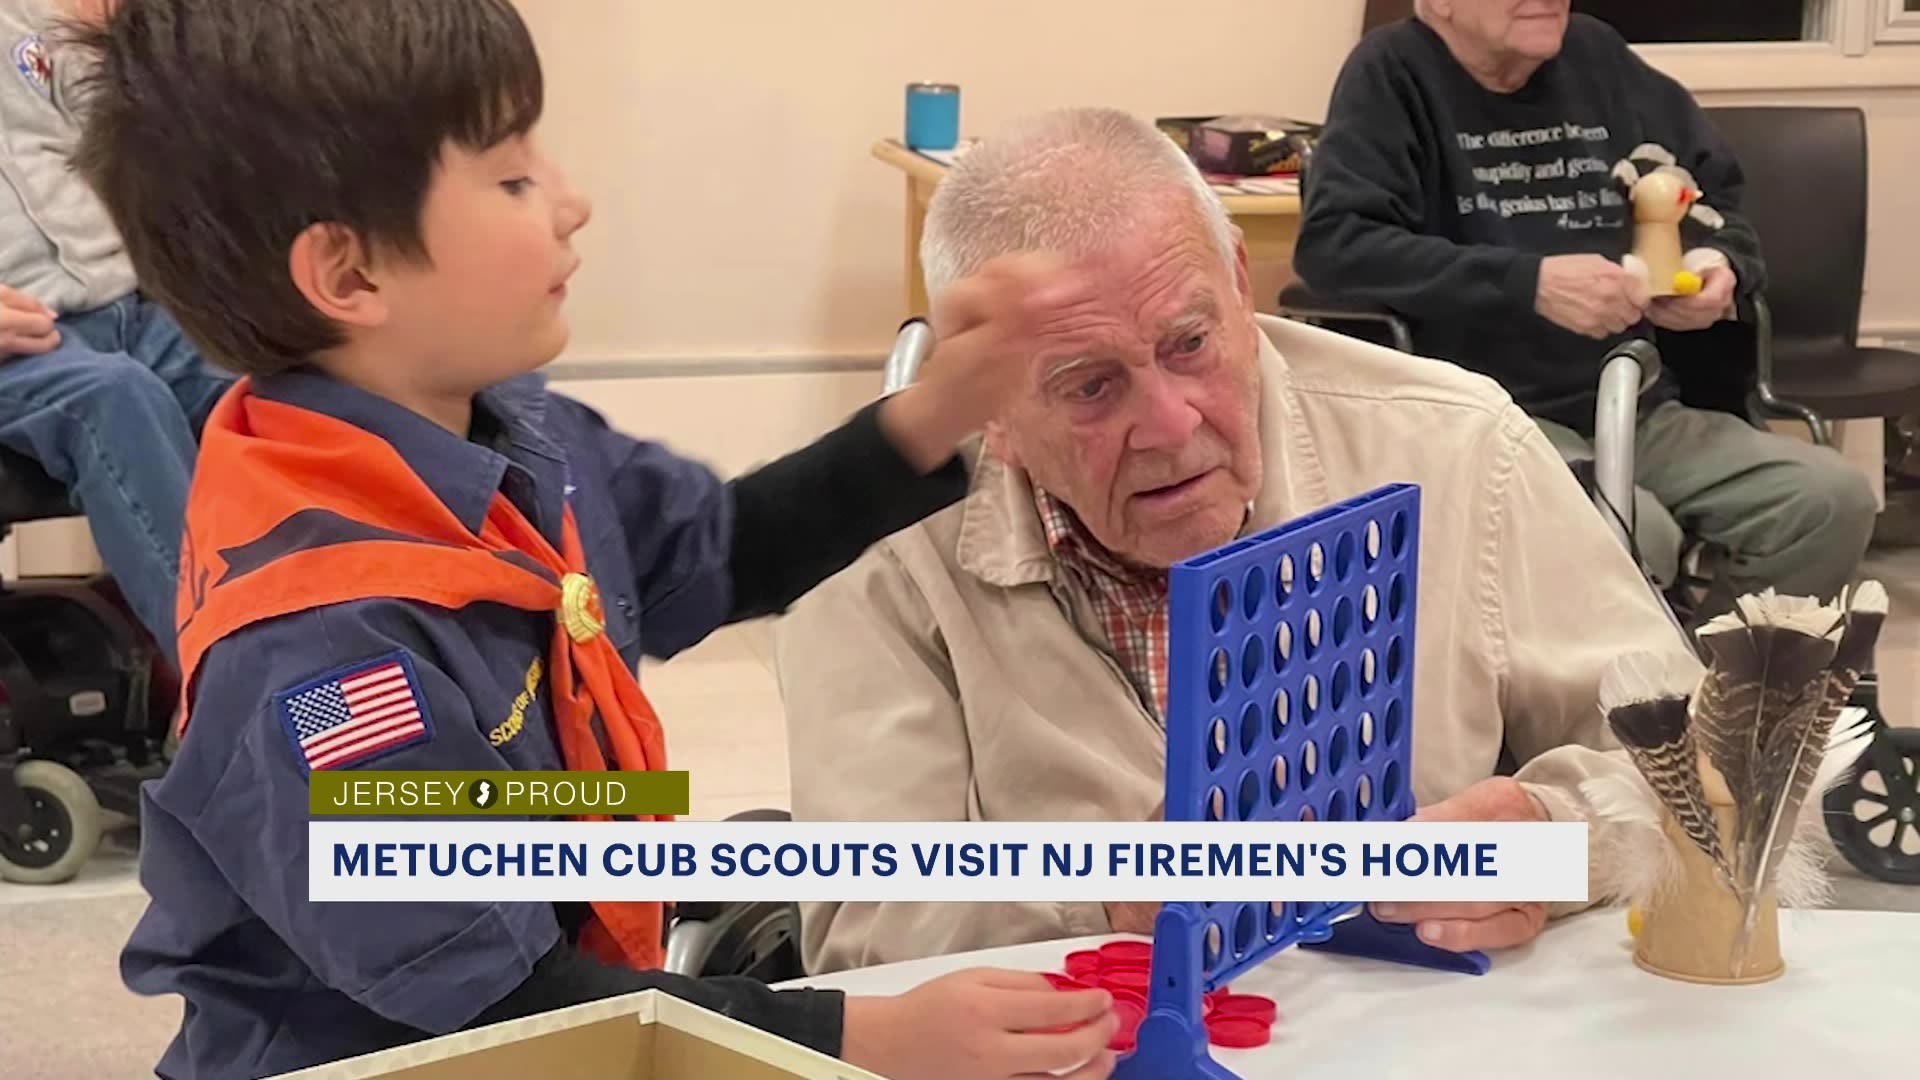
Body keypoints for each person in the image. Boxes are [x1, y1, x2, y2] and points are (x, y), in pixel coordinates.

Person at [69, 2, 1120, 1079]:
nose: (573, 202)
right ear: (349, 276)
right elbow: (501, 1009)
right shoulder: (329, 657)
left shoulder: (508, 427)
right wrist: (864, 1039)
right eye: (512, 179)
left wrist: (936, 409)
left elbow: (724, 549)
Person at [773, 106, 1698, 975]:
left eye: (1190, 345)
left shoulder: (1456, 447)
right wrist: (1103, 903)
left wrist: (1553, 834)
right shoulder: (870, 556)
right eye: (1092, 387)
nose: (1171, 427)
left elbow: (1710, 772)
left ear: (1241, 297)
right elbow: (869, 930)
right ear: (992, 410)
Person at [1291, 0, 1876, 608]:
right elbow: (1338, 245)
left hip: (1635, 404)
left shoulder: (1597, 56)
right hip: (1490, 418)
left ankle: (1718, 692)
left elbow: (1713, 196)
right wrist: (1529, 284)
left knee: (1829, 501)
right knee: (1632, 530)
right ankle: (1635, 694)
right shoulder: (1391, 74)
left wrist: (1717, 263)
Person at [0, 0, 234, 664]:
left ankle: (378, 654)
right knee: (116, 398)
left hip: (129, 302)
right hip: (25, 340)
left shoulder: (32, 24)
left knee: (286, 384)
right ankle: (229, 692)